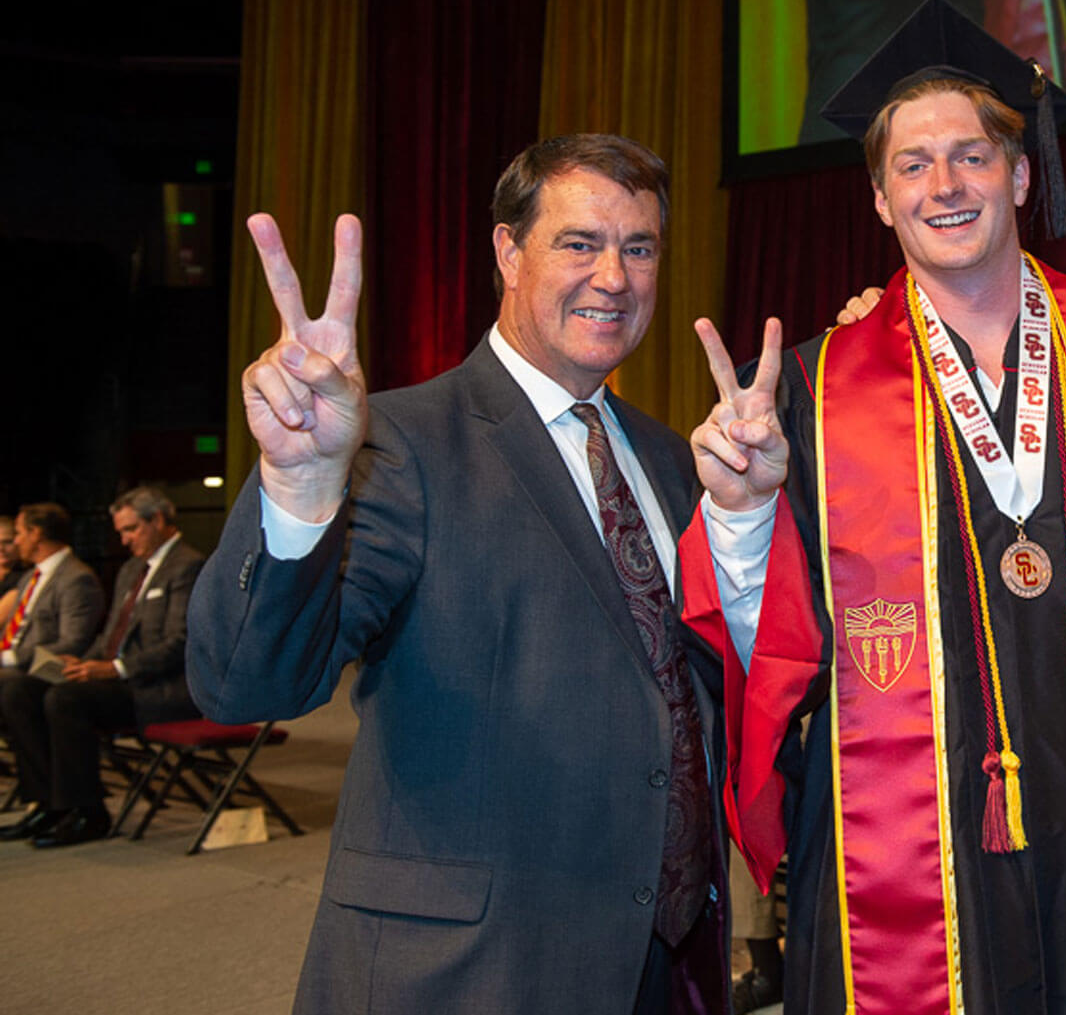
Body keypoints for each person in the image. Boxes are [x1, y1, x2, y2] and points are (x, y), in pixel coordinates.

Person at [683, 0, 1066, 1015]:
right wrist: (741, 515)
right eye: (913, 165)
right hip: (903, 849)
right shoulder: (813, 393)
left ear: (1020, 176)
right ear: (880, 200)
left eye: (972, 156)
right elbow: (770, 647)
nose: (944, 185)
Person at [186, 135, 727, 1013]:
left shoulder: (672, 459)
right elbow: (250, 681)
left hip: (661, 963)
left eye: (640, 248)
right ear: (508, 252)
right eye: (580, 243)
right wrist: (300, 485)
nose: (614, 277)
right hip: (471, 971)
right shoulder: (401, 443)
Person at [8, 487, 207, 848]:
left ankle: (88, 812)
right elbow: (112, 633)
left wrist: (114, 669)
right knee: (18, 689)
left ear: (157, 520)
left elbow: (180, 644)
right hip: (118, 680)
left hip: (160, 688)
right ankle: (47, 802)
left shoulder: (189, 566)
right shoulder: (131, 568)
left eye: (131, 529)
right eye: (120, 532)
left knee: (66, 699)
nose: (124, 539)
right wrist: (84, 661)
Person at [0, 502, 107, 842]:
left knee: (13, 688)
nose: (16, 541)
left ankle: (54, 801)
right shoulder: (31, 577)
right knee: (13, 690)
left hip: (57, 667)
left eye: (19, 533)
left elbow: (73, 641)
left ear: (36, 534)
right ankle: (44, 800)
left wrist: (8, 659)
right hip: (25, 669)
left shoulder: (76, 578)